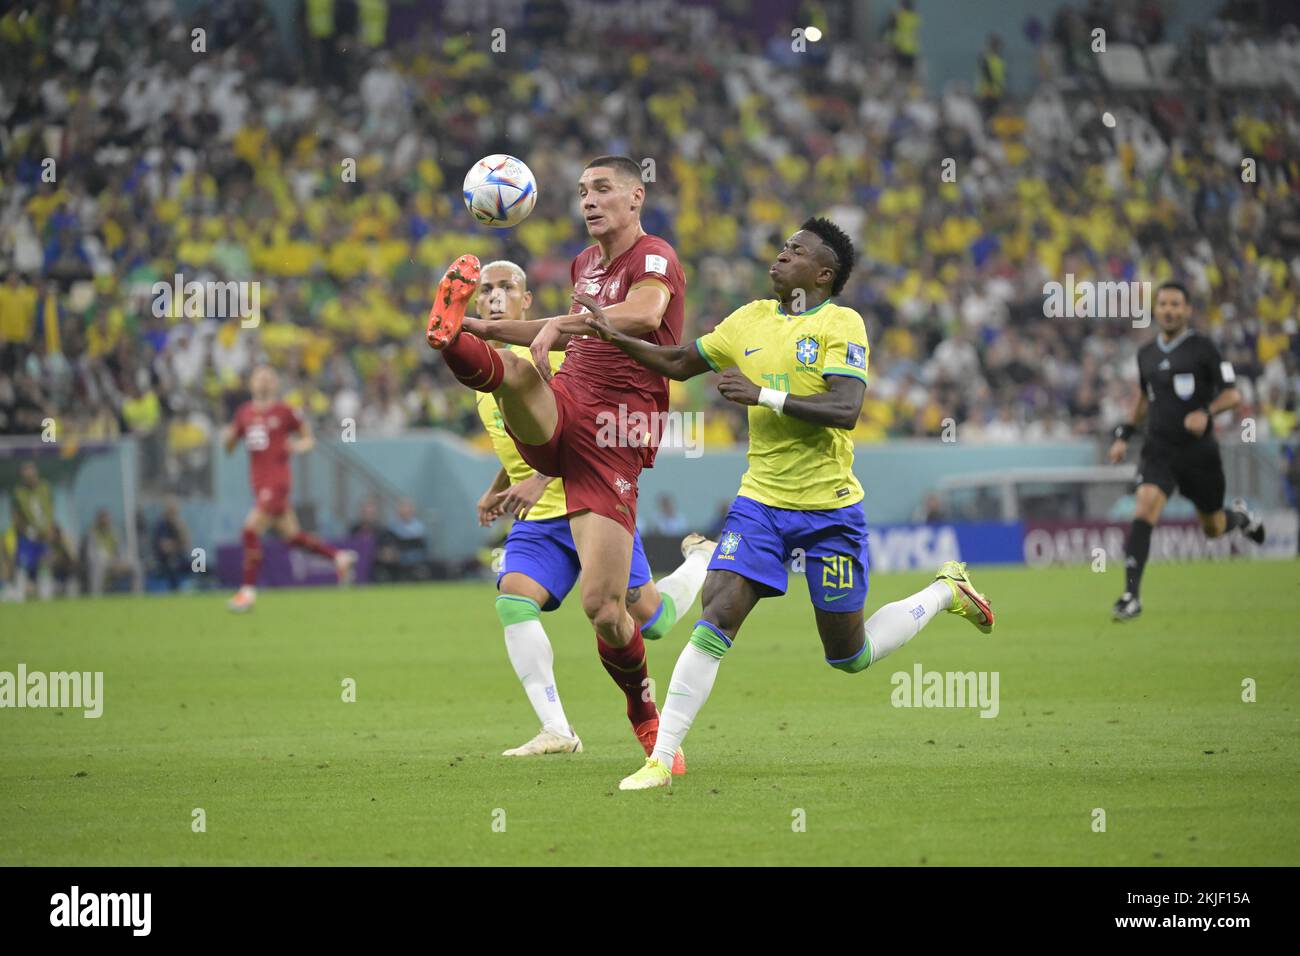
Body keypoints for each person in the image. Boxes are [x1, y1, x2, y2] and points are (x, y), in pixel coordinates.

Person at [579, 217, 996, 790]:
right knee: (718, 611)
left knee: (847, 655)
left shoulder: (841, 322)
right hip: (761, 503)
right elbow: (679, 362)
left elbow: (846, 407)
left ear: (822, 274)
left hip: (830, 509)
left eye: (796, 251)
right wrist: (611, 336)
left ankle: (947, 590)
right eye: (782, 246)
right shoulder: (748, 317)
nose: (780, 255)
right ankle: (661, 759)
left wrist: (763, 395)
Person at [426, 156, 694, 768]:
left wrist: (559, 325)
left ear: (636, 197)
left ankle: (643, 714)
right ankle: (450, 340)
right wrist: (474, 325)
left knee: (608, 609)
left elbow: (645, 315)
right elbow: (556, 337)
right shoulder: (584, 264)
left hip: (615, 432)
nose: (589, 201)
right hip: (568, 403)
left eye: (602, 190)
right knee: (514, 375)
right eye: (581, 192)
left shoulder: (654, 255)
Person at [470, 259, 713, 758]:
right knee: (513, 601)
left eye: (506, 287)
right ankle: (557, 729)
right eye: (485, 290)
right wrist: (499, 486)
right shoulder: (490, 376)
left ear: (527, 301)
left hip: (593, 505)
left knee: (654, 621)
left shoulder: (557, 353)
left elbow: (580, 429)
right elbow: (519, 439)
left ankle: (699, 563)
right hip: (539, 523)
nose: (494, 296)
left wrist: (541, 478)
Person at [1107, 282, 1264, 622]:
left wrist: (1206, 412)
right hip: (1159, 449)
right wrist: (1125, 434)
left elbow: (1233, 396)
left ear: (1187, 309)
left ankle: (1241, 518)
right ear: (1155, 308)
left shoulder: (1203, 348)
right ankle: (1131, 596)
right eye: (1163, 304)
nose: (1168, 310)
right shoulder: (1145, 354)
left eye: (1175, 304)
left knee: (1213, 527)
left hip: (1199, 454)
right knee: (1145, 508)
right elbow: (1144, 399)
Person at [223, 365, 356, 611]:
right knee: (292, 537)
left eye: (268, 378)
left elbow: (308, 439)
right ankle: (339, 558)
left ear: (275, 384)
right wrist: (228, 438)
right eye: (259, 377)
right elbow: (229, 446)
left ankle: (247, 592)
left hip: (278, 481)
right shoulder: (244, 413)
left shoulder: (285, 412)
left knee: (250, 531)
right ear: (251, 384)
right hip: (259, 482)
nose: (263, 382)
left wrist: (296, 446)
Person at [152, 496, 191, 591]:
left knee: (202, 565)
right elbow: (165, 548)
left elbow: (188, 545)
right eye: (171, 510)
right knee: (173, 566)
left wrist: (181, 529)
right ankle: (175, 591)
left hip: (181, 558)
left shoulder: (179, 525)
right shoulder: (161, 525)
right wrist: (179, 544)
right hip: (165, 561)